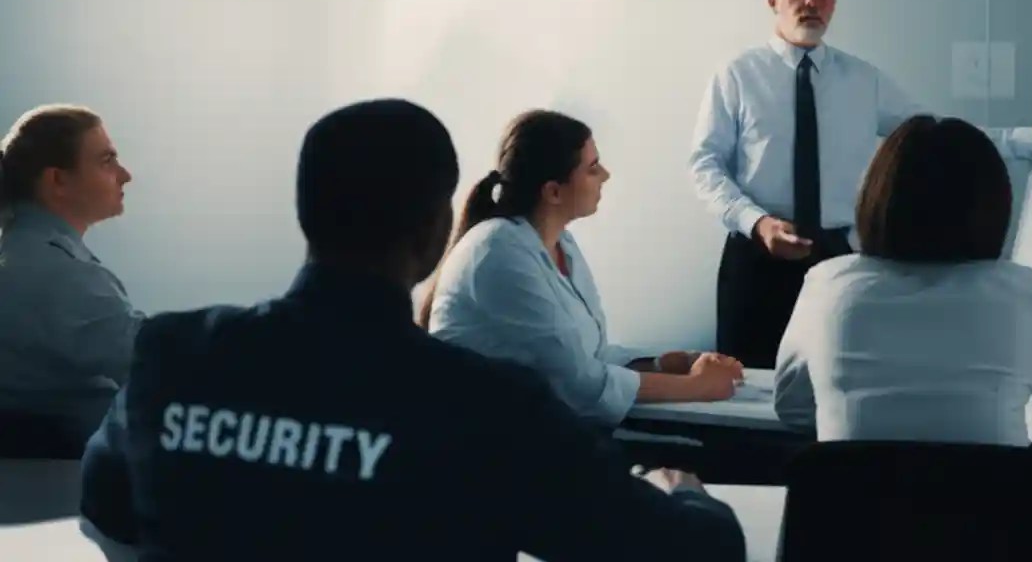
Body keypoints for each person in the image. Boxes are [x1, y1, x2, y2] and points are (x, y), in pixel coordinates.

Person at [79, 99, 746, 561]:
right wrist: (686, 494)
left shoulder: (173, 358)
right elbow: (693, 553)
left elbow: (104, 502)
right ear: (436, 234)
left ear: (305, 213)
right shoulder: (490, 411)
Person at [689, 0, 1032, 368]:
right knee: (743, 387)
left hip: (838, 261)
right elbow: (704, 165)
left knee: (834, 382)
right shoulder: (736, 75)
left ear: (834, 3)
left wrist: (1028, 141)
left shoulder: (861, 80)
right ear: (773, 0)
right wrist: (758, 223)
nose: (812, 2)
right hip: (756, 259)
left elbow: (935, 133)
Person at [773, 114, 1032, 452]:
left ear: (875, 197)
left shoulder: (827, 287)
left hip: (853, 523)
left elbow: (792, 408)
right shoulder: (1027, 296)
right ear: (993, 206)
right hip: (992, 522)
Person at [424, 109, 744, 429]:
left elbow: (589, 356)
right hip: (484, 444)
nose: (605, 175)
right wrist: (699, 387)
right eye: (592, 168)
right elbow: (579, 387)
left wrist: (665, 363)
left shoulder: (561, 243)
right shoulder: (498, 252)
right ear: (553, 191)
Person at [0, 104, 143, 451]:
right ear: (58, 180)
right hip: (68, 479)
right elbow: (148, 355)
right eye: (106, 161)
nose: (125, 175)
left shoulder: (28, 255)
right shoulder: (48, 270)